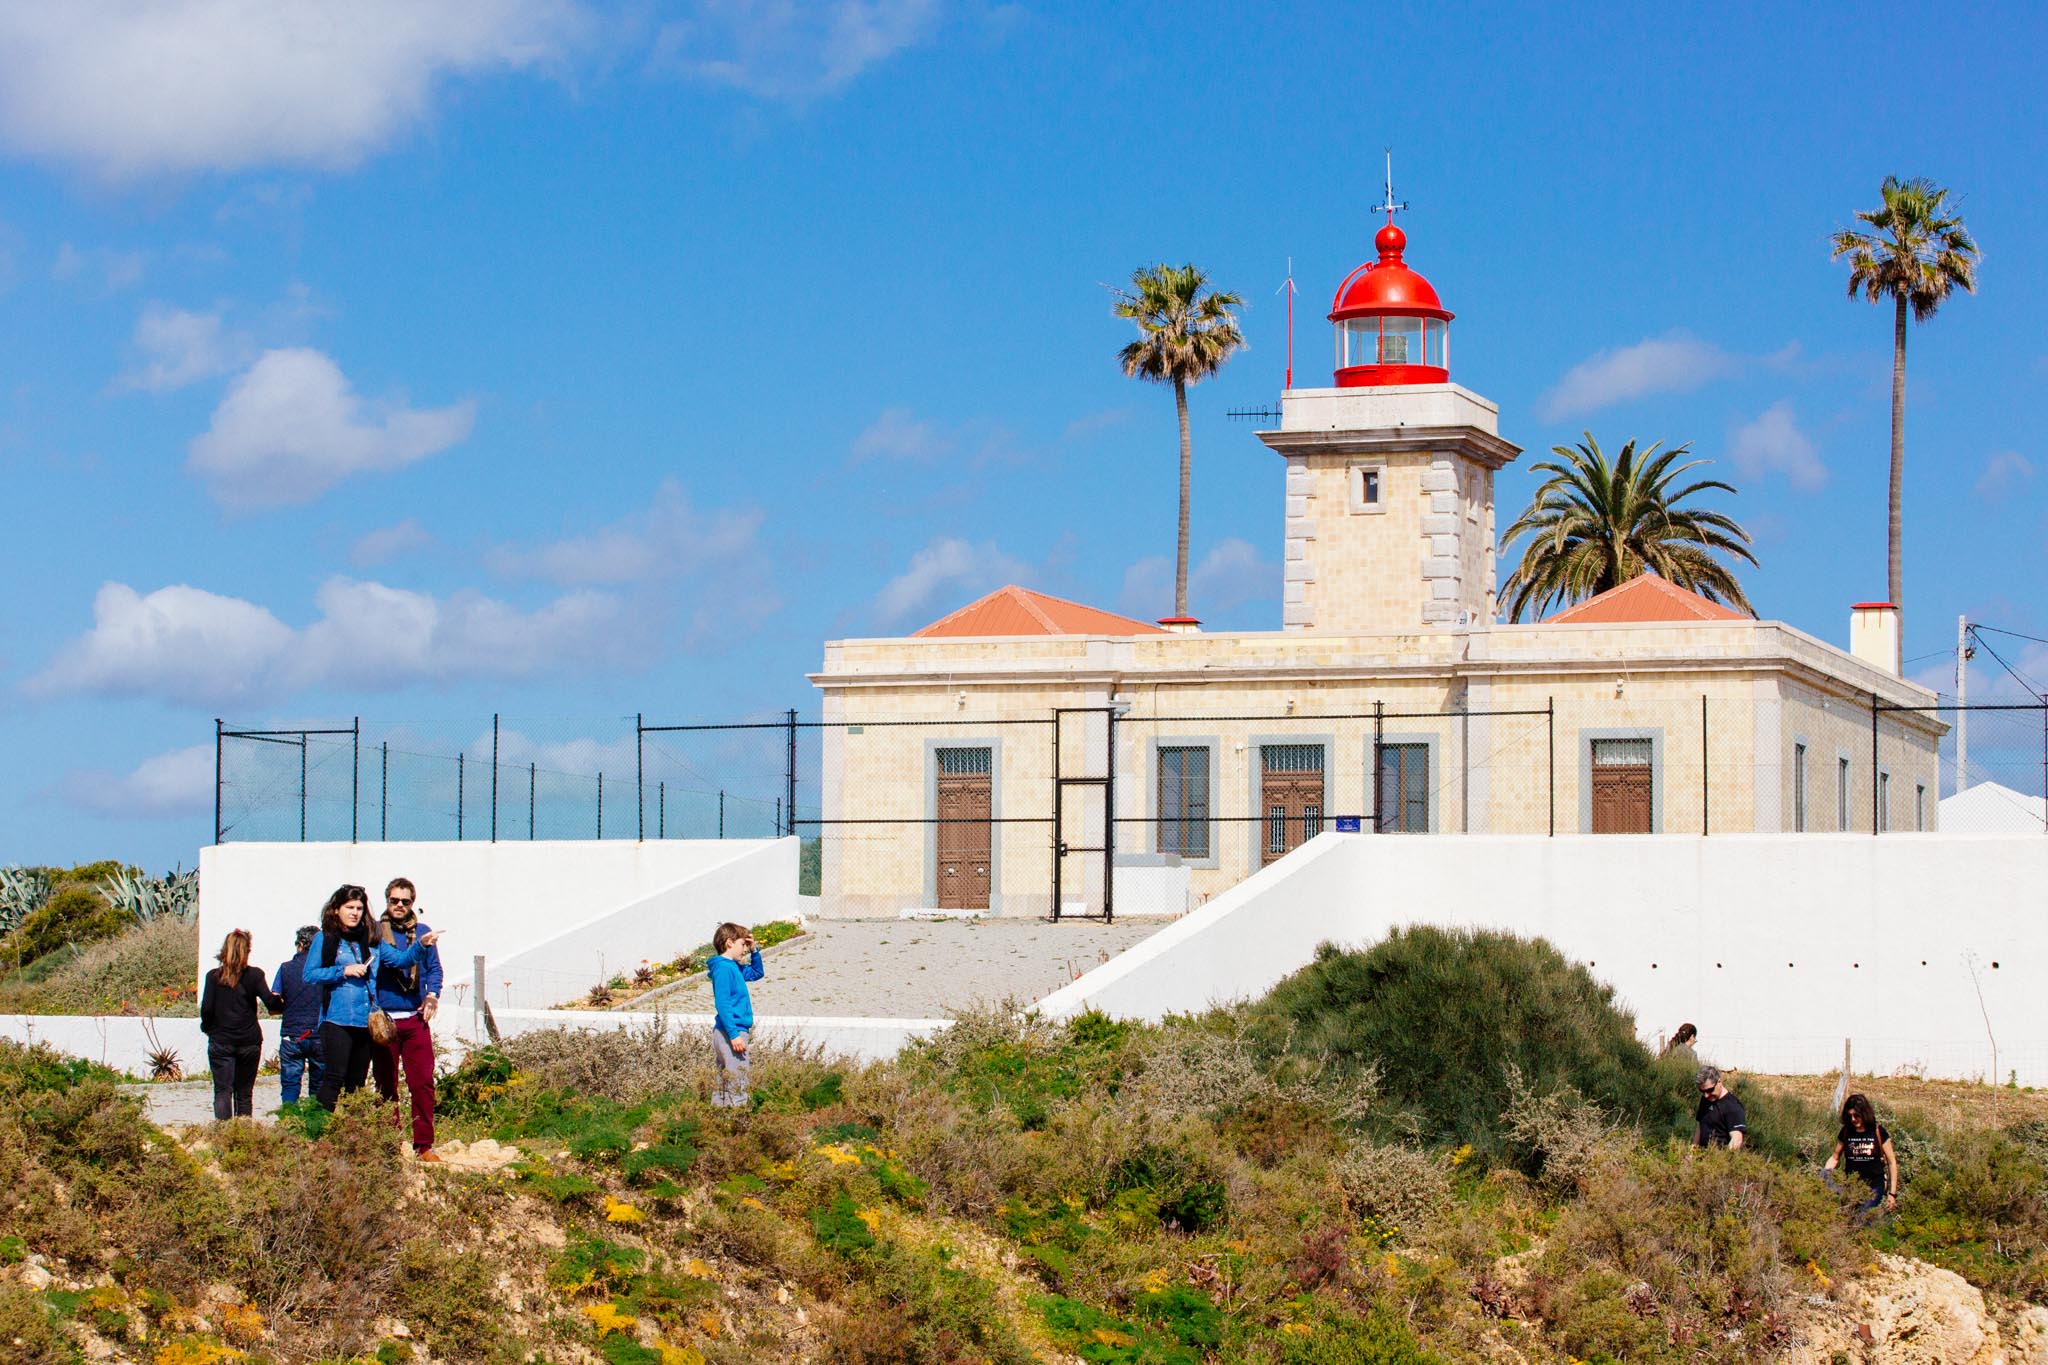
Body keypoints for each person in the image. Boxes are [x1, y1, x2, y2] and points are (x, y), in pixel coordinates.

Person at [303, 884, 436, 1112]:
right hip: (337, 1020)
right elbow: (310, 974)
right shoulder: (325, 939)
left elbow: (401, 960)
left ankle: (353, 1139)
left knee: (356, 1084)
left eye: (359, 908)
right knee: (334, 1079)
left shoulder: (372, 939)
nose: (355, 913)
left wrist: (421, 946)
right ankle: (318, 1135)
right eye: (349, 907)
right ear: (337, 910)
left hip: (365, 1022)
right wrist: (342, 971)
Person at [370, 877, 444, 1162]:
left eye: (405, 901)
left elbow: (434, 970)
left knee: (422, 1082)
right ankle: (390, 1143)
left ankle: (424, 1144)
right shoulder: (375, 933)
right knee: (385, 1084)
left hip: (414, 1019)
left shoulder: (424, 933)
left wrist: (432, 995)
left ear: (413, 903)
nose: (399, 905)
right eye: (394, 900)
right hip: (384, 1021)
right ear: (387, 901)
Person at [199, 928, 283, 1120]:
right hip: (249, 1041)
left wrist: (208, 1028)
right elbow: (269, 1001)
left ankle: (224, 1135)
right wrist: (282, 1002)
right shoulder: (255, 975)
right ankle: (243, 1137)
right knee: (244, 1094)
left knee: (222, 1090)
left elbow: (207, 1009)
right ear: (248, 951)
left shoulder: (213, 977)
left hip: (221, 1040)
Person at [707, 922, 764, 1109]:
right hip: (732, 1031)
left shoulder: (734, 967)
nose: (745, 950)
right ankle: (737, 1122)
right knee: (737, 1079)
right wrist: (734, 1035)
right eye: (742, 945)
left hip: (729, 1031)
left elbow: (756, 973)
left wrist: (755, 950)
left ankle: (718, 1119)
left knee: (724, 1079)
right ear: (729, 943)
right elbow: (723, 1003)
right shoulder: (724, 969)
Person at [1823, 1092, 1899, 1217]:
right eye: (1850, 1116)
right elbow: (1835, 1157)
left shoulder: (1878, 1131)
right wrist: (1824, 1174)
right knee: (1849, 1218)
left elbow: (1892, 1162)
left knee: (1863, 1217)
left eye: (1856, 1115)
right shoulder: (1847, 1131)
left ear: (1864, 1113)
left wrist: (1892, 1194)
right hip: (1852, 1186)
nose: (1853, 1119)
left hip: (1875, 1186)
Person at [274, 924, 326, 1105]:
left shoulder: (286, 968)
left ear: (300, 944)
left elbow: (276, 998)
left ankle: (289, 1121)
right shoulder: (325, 970)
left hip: (292, 1033)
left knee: (290, 1084)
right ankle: (315, 1125)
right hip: (319, 1033)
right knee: (319, 1086)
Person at [1693, 1065, 1747, 1150]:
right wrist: (1692, 1151)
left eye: (1709, 1090)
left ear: (1719, 1082)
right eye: (1702, 1091)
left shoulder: (1732, 1106)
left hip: (1719, 1159)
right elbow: (1700, 1126)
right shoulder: (1705, 1099)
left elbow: (1737, 1140)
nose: (1706, 1095)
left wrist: (1722, 1160)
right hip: (1701, 1158)